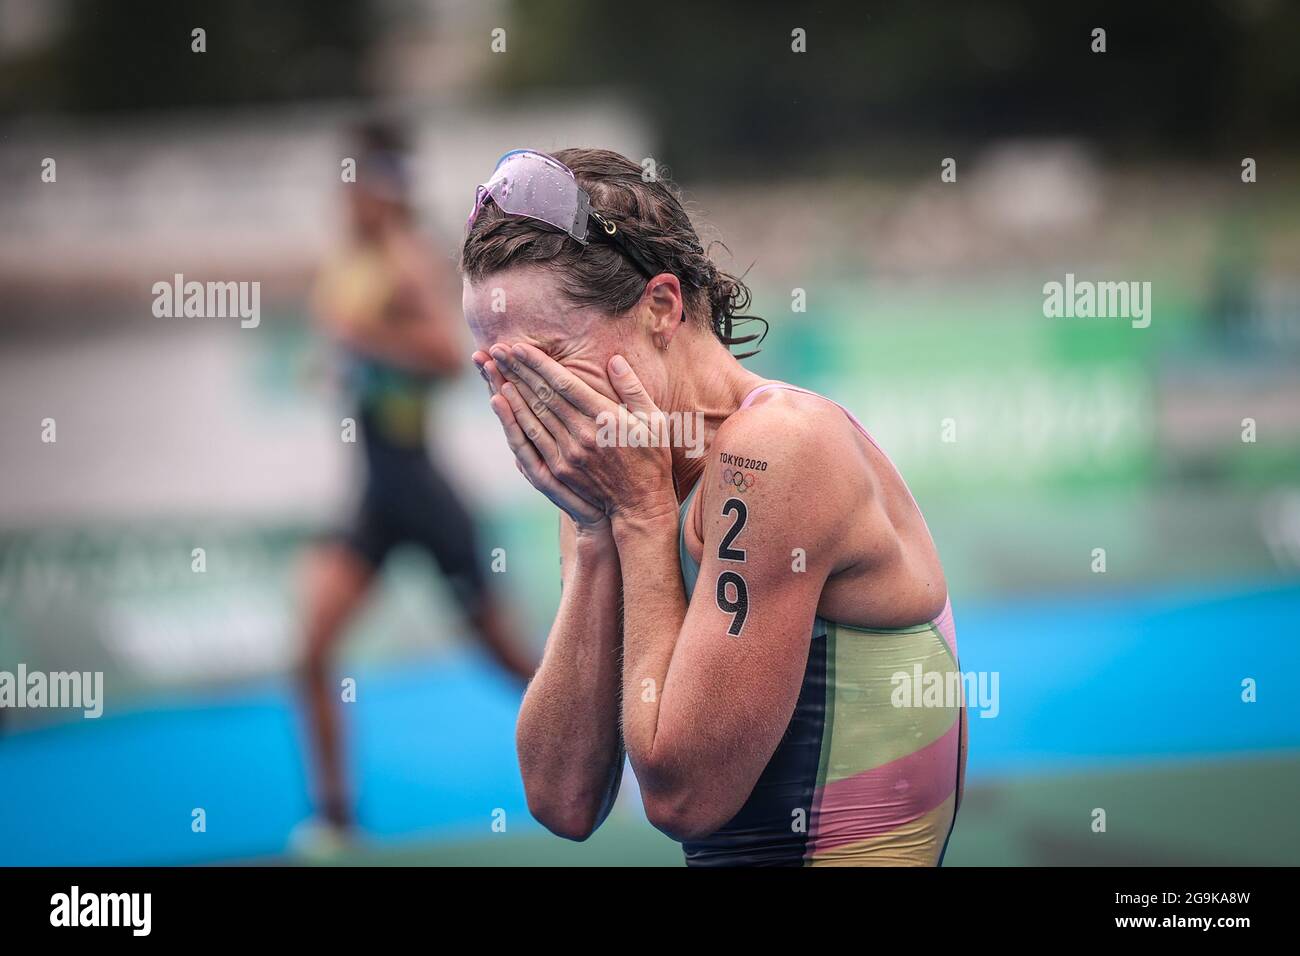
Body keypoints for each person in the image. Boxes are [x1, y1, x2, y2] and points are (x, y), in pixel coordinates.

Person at [460, 147, 966, 866]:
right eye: (495, 369)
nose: (520, 400)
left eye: (541, 358)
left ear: (662, 307)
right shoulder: (614, 478)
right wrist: (600, 533)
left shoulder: (781, 448)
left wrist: (638, 519)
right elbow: (562, 799)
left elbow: (683, 798)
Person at [295, 125, 535, 851]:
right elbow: (344, 346)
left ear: (383, 193)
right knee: (309, 654)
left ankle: (619, 751)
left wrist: (360, 342)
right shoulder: (350, 263)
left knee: (507, 660)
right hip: (374, 495)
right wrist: (340, 359)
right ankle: (337, 820)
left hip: (422, 490)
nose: (346, 199)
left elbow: (444, 354)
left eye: (358, 186)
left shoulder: (408, 262)